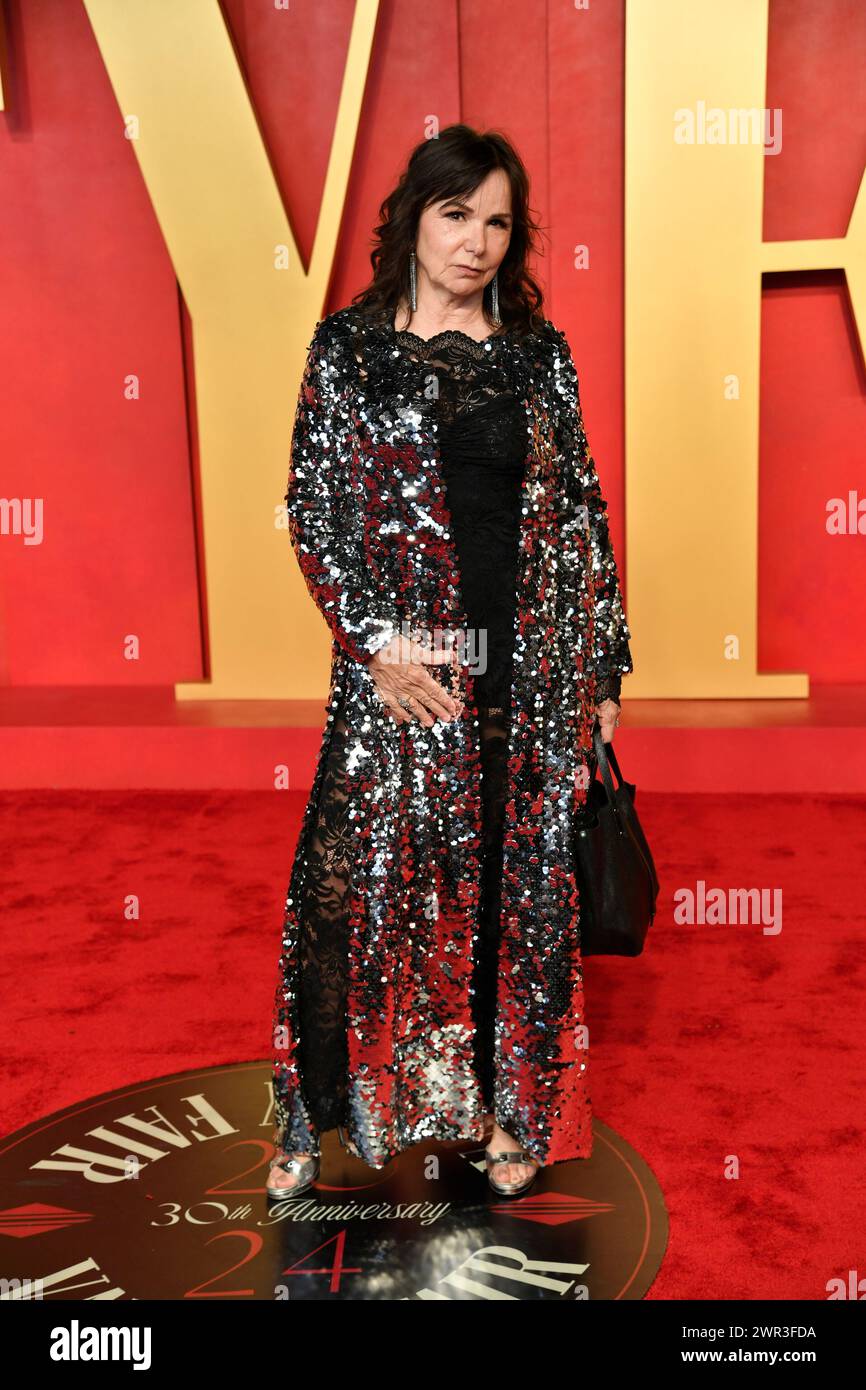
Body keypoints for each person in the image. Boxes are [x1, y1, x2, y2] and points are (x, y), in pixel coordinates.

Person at [268, 124, 632, 1201]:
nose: (475, 241)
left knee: (511, 899)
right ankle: (315, 1116)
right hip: (403, 673)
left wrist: (599, 670)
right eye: (454, 214)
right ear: (412, 220)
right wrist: (373, 647)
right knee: (348, 893)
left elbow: (579, 512)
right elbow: (313, 510)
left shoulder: (538, 353)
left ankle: (508, 1119)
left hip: (521, 667)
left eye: (496, 221)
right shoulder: (346, 348)